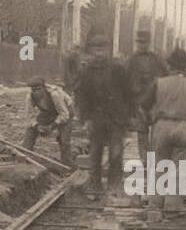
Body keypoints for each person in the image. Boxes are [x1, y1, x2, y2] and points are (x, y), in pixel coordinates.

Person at [75, 29, 130, 199]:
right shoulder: (86, 71)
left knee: (116, 154)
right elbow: (81, 96)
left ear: (108, 50)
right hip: (96, 118)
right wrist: (85, 119)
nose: (99, 54)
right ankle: (95, 186)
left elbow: (128, 94)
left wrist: (127, 117)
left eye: (102, 49)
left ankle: (114, 186)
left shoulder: (118, 68)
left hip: (116, 118)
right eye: (96, 49)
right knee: (95, 153)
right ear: (91, 51)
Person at [149, 47, 186, 212]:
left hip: (162, 126)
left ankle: (155, 204)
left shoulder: (159, 83)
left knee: (159, 166)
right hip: (184, 127)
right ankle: (172, 207)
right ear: (185, 66)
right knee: (179, 169)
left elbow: (145, 103)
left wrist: (152, 119)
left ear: (170, 65)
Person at [125, 27, 166, 158]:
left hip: (154, 101)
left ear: (149, 43)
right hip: (138, 101)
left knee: (155, 134)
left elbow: (166, 75)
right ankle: (144, 160)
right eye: (139, 42)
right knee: (142, 133)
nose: (141, 45)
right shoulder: (131, 59)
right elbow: (125, 78)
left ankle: (152, 159)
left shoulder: (156, 58)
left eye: (144, 42)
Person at [23, 76, 74, 166]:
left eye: (39, 89)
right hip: (48, 112)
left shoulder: (54, 94)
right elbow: (30, 116)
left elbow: (64, 115)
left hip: (66, 111)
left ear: (44, 88)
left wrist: (52, 126)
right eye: (34, 90)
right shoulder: (30, 97)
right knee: (30, 129)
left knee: (64, 140)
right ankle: (25, 157)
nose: (37, 92)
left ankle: (67, 165)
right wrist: (37, 126)